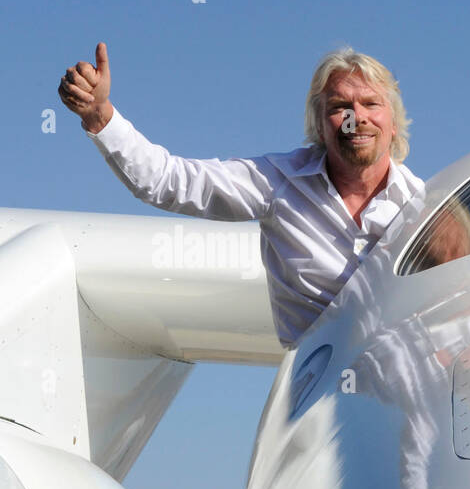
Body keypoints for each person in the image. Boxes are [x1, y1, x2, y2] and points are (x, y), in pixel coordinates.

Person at [57, 42, 422, 347]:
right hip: (318, 405)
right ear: (319, 125)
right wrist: (99, 115)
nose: (355, 117)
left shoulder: (424, 205)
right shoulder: (277, 182)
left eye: (371, 104)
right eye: (339, 107)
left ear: (393, 121)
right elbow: (167, 180)